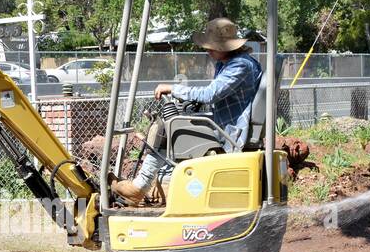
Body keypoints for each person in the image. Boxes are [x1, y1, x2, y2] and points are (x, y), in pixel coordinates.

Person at [111, 17, 262, 205]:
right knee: (171, 123)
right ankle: (152, 182)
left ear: (226, 46)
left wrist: (173, 88)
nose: (207, 50)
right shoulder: (229, 63)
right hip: (224, 122)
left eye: (212, 46)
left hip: (231, 131)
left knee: (167, 126)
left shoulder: (240, 65)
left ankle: (140, 186)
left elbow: (210, 94)